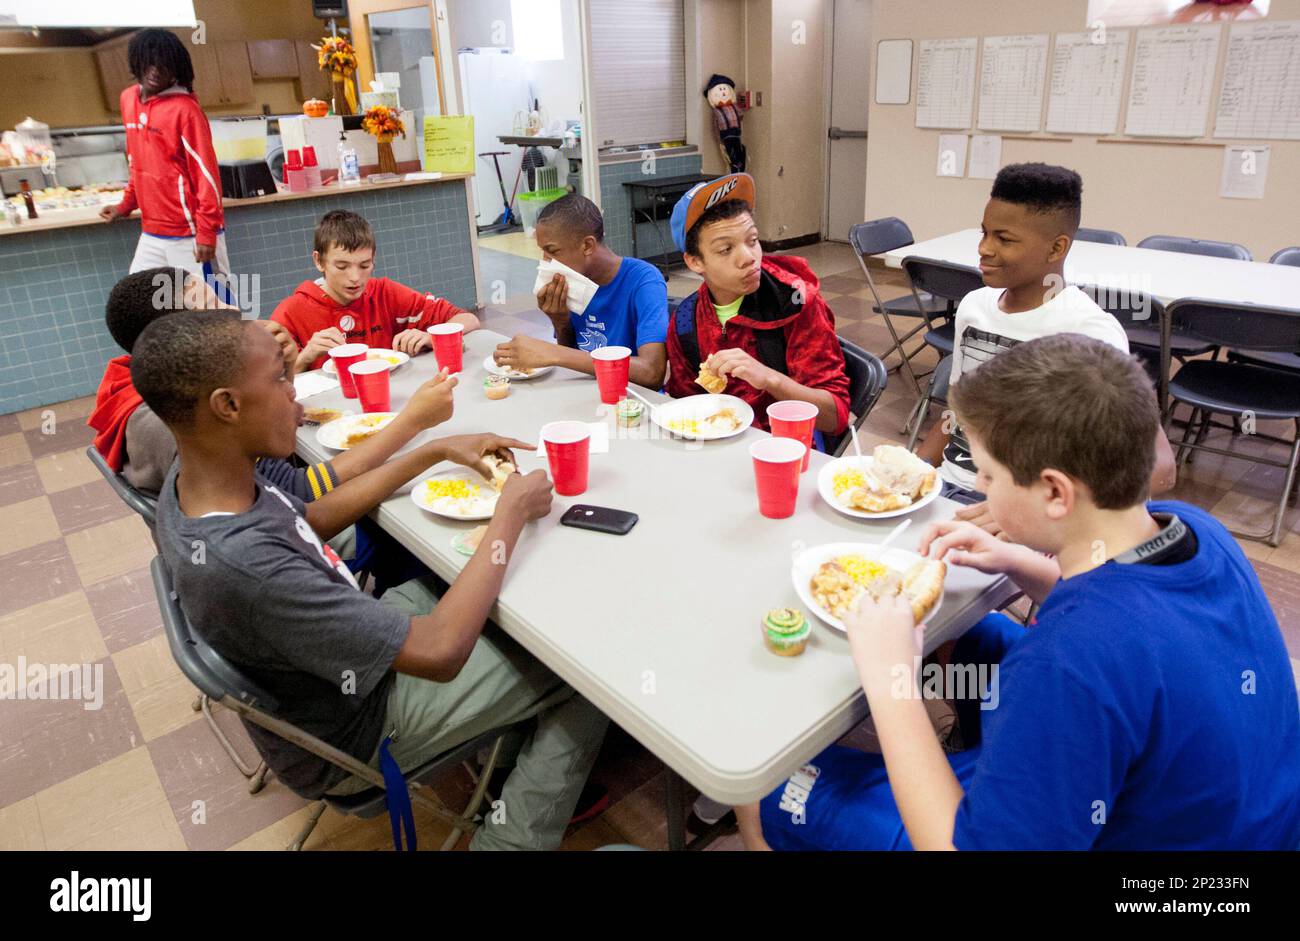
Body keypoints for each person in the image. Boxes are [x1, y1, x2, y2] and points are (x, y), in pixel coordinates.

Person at [736, 334, 1300, 850]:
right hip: (1245, 816)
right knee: (974, 637)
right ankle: (996, 769)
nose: (977, 487)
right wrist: (1021, 562)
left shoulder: (1069, 661)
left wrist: (893, 681)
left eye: (986, 474)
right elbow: (1133, 612)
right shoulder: (1193, 528)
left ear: (1055, 492)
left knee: (771, 786)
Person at [131, 312, 609, 850]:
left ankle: (505, 747)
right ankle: (511, 839)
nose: (296, 395)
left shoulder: (201, 478)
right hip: (357, 729)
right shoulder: (247, 565)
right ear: (228, 405)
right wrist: (509, 515)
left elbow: (307, 520)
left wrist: (432, 450)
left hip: (335, 671)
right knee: (585, 665)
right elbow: (440, 652)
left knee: (478, 588)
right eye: (279, 379)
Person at [913, 163, 1174, 526]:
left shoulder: (1090, 330)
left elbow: (1159, 469)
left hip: (1032, 518)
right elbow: (957, 411)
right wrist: (918, 465)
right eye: (984, 233)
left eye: (1004, 239)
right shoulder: (974, 306)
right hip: (948, 487)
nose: (984, 249)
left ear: (1056, 247)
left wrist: (1035, 511)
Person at [663, 173, 850, 438]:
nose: (749, 258)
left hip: (785, 451)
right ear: (695, 262)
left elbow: (835, 416)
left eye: (752, 241)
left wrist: (769, 378)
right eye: (725, 249)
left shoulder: (794, 303)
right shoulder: (686, 321)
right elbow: (685, 406)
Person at [98, 30, 229, 293]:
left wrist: (206, 232)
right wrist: (126, 204)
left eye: (165, 65)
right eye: (150, 62)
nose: (156, 71)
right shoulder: (128, 100)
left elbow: (207, 176)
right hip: (152, 232)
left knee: (214, 312)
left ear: (177, 69)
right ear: (137, 61)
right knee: (138, 300)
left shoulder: (185, 110)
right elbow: (137, 160)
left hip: (190, 232)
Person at [492, 194, 668, 388]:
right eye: (543, 252)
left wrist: (553, 353)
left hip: (632, 401)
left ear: (587, 246)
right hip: (585, 392)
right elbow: (573, 362)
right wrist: (560, 322)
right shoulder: (574, 282)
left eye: (552, 251)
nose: (546, 261)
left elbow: (652, 373)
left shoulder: (644, 280)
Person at [272, 210, 481, 373]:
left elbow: (468, 319)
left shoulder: (384, 293)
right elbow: (266, 385)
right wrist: (306, 357)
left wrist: (432, 336)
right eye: (342, 266)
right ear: (319, 261)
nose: (355, 277)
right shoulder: (292, 311)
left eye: (364, 266)